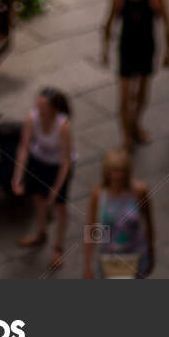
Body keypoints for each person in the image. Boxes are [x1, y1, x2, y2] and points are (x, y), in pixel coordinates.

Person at [13, 86, 73, 271]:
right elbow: (23, 147)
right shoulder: (32, 119)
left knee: (60, 206)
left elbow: (66, 161)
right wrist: (18, 176)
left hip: (57, 166)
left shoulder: (63, 126)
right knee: (38, 197)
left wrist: (56, 188)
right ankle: (41, 232)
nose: (39, 110)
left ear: (54, 109)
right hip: (39, 161)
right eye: (38, 106)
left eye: (44, 107)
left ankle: (58, 248)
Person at [102, 0, 169, 147]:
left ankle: (135, 123)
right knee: (125, 97)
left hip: (146, 50)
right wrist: (105, 50)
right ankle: (126, 135)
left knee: (142, 94)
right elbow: (108, 24)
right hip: (127, 51)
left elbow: (167, 23)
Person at [83, 149, 154, 279]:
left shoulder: (139, 191)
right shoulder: (98, 195)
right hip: (109, 258)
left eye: (122, 171)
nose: (118, 175)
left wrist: (151, 253)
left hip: (135, 255)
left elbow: (149, 225)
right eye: (114, 171)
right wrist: (87, 265)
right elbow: (92, 230)